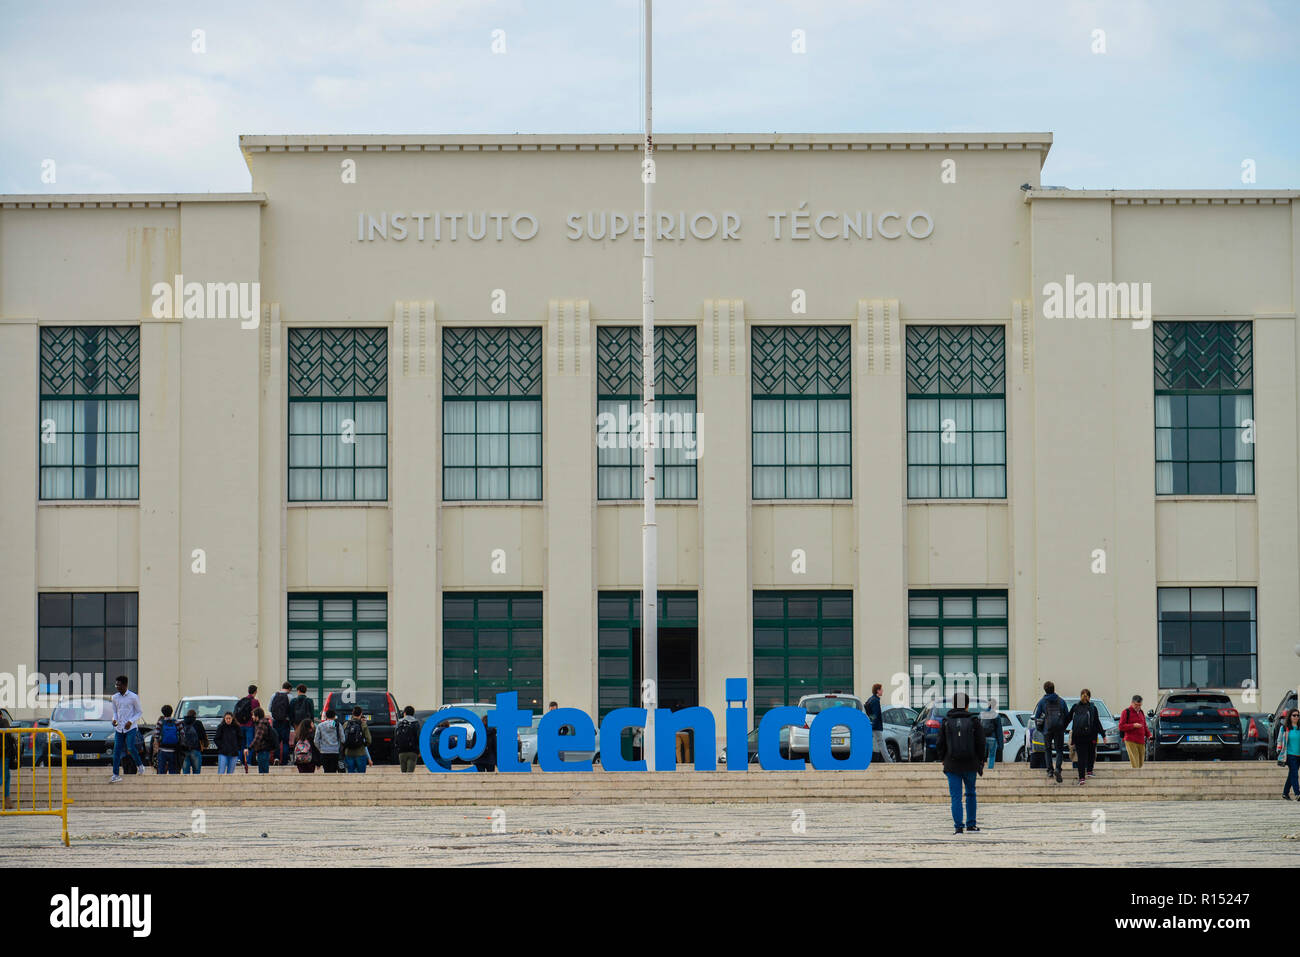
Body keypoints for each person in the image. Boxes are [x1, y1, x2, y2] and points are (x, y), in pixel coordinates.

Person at [936, 692, 986, 834]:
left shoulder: (946, 721)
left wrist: (942, 758)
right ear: (967, 705)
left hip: (952, 764)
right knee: (971, 793)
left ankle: (958, 826)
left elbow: (940, 743)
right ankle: (971, 824)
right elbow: (981, 742)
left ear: (953, 704)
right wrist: (981, 759)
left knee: (956, 797)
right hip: (971, 763)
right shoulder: (974, 721)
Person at [1032, 680, 1069, 784]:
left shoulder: (1042, 702)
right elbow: (1067, 715)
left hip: (1047, 729)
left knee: (1047, 750)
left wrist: (1040, 729)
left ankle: (1049, 770)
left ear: (1045, 690)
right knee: (1059, 750)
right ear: (1054, 689)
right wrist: (1063, 727)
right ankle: (1058, 768)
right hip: (1059, 729)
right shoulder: (1061, 701)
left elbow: (1037, 716)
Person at [109, 675, 144, 783]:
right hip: (119, 728)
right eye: (116, 684)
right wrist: (114, 719)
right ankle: (115, 774)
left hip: (131, 727)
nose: (117, 687)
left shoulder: (133, 697)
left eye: (119, 685)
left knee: (130, 747)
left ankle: (140, 765)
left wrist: (130, 721)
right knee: (117, 751)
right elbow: (115, 712)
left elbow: (139, 712)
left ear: (125, 685)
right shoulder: (114, 697)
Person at [1065, 689, 1103, 784]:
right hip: (1090, 736)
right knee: (1091, 754)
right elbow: (1096, 722)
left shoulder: (1075, 707)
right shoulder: (1093, 708)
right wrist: (1103, 734)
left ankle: (1081, 778)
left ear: (1080, 696)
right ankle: (1089, 771)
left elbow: (1068, 719)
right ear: (1089, 697)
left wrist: (1061, 729)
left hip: (1078, 736)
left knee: (1081, 757)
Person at [1118, 694, 1150, 768]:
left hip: (1141, 741)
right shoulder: (1126, 712)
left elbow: (1144, 726)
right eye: (1136, 705)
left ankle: (1139, 777)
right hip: (1131, 740)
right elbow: (1121, 726)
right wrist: (1133, 725)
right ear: (1132, 703)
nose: (1138, 707)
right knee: (1135, 763)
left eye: (1140, 705)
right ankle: (1136, 777)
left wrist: (1149, 735)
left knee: (1141, 764)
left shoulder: (1141, 712)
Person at [864, 683, 893, 763]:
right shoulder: (875, 701)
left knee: (873, 744)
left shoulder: (871, 699)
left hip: (873, 725)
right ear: (878, 690)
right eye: (881, 689)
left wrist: (870, 721)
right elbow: (875, 715)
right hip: (876, 727)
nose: (882, 691)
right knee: (881, 744)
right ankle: (889, 761)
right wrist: (873, 724)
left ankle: (869, 759)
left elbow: (869, 711)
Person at [234, 684, 260, 768]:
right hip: (250, 726)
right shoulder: (255, 702)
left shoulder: (242, 700)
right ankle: (248, 762)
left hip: (241, 725)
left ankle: (239, 760)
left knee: (241, 744)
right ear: (255, 692)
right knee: (249, 744)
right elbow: (258, 713)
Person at [341, 706, 371, 774]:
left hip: (348, 753)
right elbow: (369, 740)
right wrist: (363, 745)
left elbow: (342, 738)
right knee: (361, 775)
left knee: (350, 774)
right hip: (360, 753)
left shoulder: (346, 724)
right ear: (361, 714)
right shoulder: (363, 725)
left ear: (352, 713)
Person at [269, 682, 293, 766]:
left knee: (277, 741)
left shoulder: (274, 695)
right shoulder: (290, 697)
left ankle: (276, 758)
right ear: (289, 689)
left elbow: (269, 708)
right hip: (285, 721)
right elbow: (291, 710)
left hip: (275, 721)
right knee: (285, 742)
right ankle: (285, 761)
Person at [154, 704, 181, 774]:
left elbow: (156, 736)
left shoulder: (160, 722)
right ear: (172, 712)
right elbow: (182, 734)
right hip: (174, 750)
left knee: (161, 770)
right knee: (173, 770)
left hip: (162, 750)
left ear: (163, 713)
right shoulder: (176, 722)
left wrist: (156, 749)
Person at [250, 707, 279, 774]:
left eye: (253, 715)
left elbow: (258, 738)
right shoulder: (262, 723)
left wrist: (250, 748)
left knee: (263, 770)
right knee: (264, 769)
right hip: (264, 750)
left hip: (263, 750)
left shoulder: (261, 724)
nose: (252, 717)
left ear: (257, 716)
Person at [314, 708, 343, 773]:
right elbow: (343, 739)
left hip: (324, 751)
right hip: (335, 751)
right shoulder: (338, 725)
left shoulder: (320, 725)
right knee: (333, 771)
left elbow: (316, 740)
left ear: (326, 716)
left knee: (326, 770)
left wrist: (320, 748)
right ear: (334, 716)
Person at [978, 695, 1003, 770]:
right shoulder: (996, 715)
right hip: (992, 738)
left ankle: (981, 768)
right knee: (991, 755)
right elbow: (999, 731)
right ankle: (990, 769)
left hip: (983, 738)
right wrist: (1001, 744)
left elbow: (978, 728)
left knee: (982, 754)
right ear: (995, 705)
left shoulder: (981, 714)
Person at [180, 709, 208, 774]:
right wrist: (205, 745)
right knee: (197, 772)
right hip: (196, 749)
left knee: (185, 772)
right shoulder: (198, 723)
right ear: (195, 715)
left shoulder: (182, 723)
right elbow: (202, 736)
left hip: (184, 751)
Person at [394, 706, 421, 773]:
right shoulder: (416, 723)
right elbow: (418, 737)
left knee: (403, 772)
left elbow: (395, 736)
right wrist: (419, 750)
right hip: (412, 751)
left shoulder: (399, 722)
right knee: (410, 773)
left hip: (401, 751)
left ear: (404, 713)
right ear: (413, 713)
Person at [1282, 709, 1300, 801]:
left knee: (1292, 774)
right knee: (1294, 774)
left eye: (1298, 715)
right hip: (1289, 755)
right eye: (1294, 715)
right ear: (1290, 717)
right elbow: (1279, 741)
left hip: (1299, 755)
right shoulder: (1285, 728)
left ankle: (1285, 793)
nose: (1296, 717)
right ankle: (1298, 793)